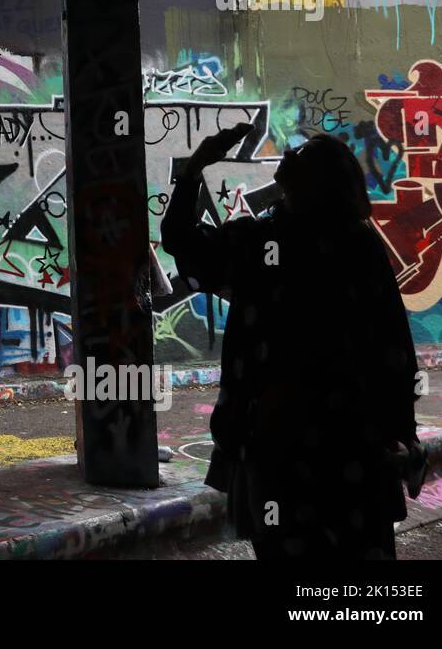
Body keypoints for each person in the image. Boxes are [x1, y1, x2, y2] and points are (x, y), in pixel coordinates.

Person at [160, 127, 425, 559]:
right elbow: (393, 345)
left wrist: (194, 170)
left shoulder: (261, 241)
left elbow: (182, 241)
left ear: (316, 180)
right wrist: (402, 432)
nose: (288, 151)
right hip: (351, 448)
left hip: (278, 445)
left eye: (302, 152)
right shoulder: (358, 243)